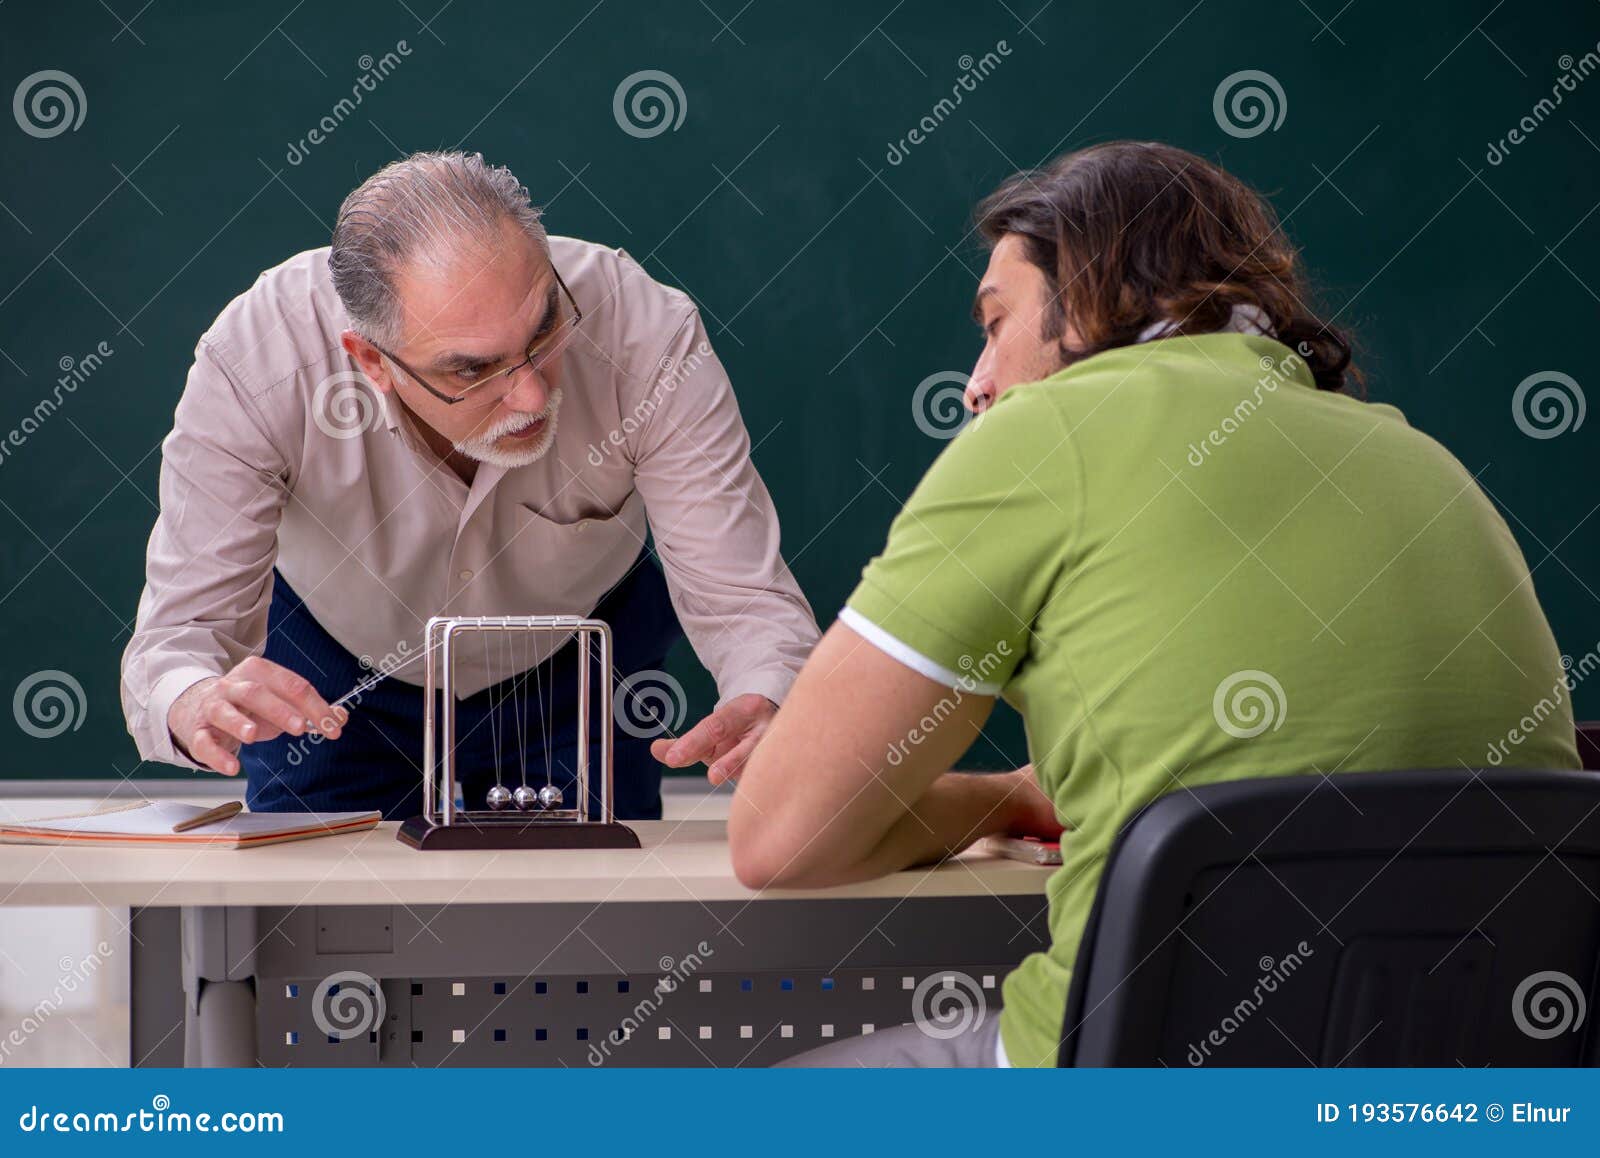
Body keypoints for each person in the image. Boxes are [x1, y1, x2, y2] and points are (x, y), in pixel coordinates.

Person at [730, 140, 1580, 1067]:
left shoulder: (1044, 434)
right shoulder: (1427, 461)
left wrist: (1001, 801)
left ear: (1090, 298)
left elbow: (781, 838)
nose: (976, 383)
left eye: (995, 322)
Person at [121, 151, 817, 819]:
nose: (530, 397)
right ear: (372, 361)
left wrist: (775, 698)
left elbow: (743, 596)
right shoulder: (257, 361)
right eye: (472, 370)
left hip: (580, 652)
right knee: (316, 921)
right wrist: (194, 699)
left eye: (545, 330)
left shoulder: (646, 332)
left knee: (598, 919)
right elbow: (180, 638)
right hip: (328, 672)